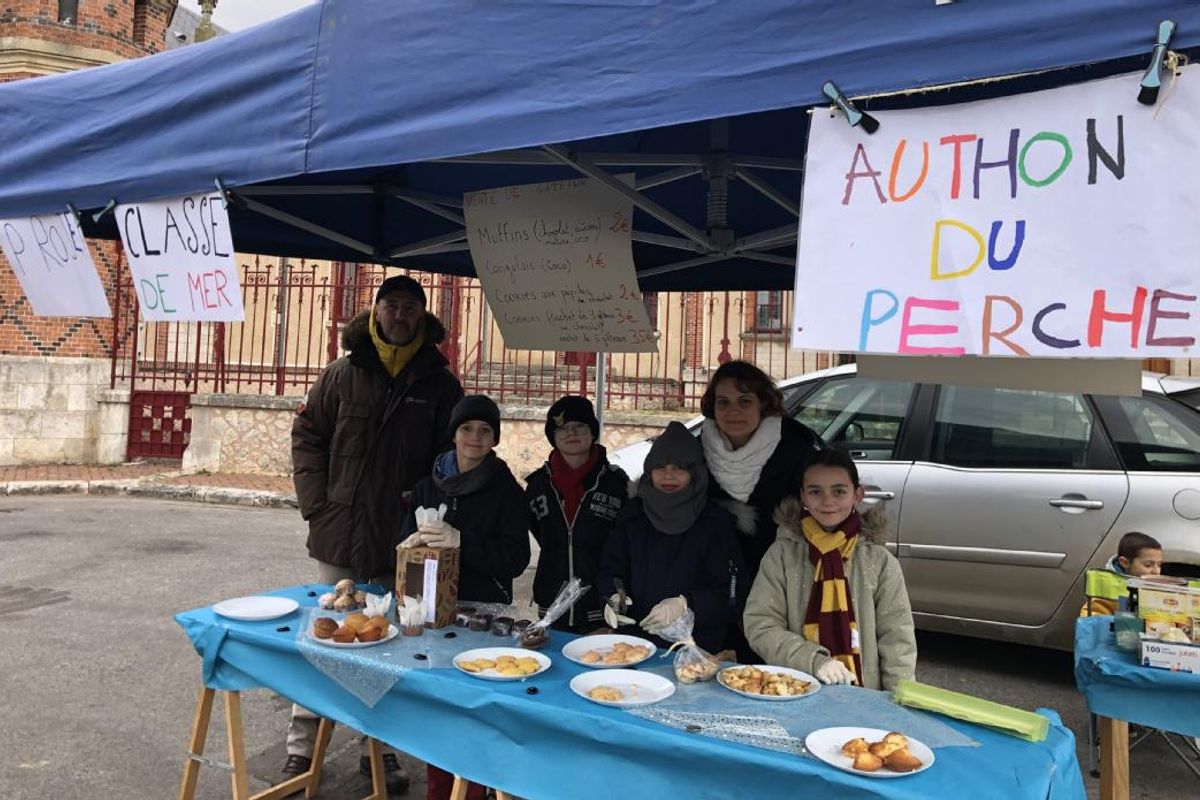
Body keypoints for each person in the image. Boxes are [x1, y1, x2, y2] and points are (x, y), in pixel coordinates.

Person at [288, 273, 463, 791]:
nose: (400, 315)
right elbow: (307, 436)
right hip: (340, 529)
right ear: (375, 311)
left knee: (386, 642)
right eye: (391, 305)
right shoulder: (341, 374)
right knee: (323, 634)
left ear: (422, 316)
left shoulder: (440, 384)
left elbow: (447, 460)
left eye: (410, 307)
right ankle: (301, 747)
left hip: (401, 537)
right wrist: (317, 504)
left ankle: (379, 750)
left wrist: (425, 516)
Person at [398, 395, 531, 800]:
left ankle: (477, 791)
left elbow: (515, 559)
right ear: (454, 434)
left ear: (495, 439)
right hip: (433, 619)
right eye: (467, 428)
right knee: (439, 715)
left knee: (477, 715)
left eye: (485, 430)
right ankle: (440, 793)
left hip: (484, 620)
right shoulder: (427, 485)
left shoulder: (507, 490)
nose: (475, 437)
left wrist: (462, 542)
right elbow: (402, 544)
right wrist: (411, 545)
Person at [744, 448, 916, 692]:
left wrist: (900, 697)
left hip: (863, 693)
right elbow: (761, 623)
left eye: (839, 491)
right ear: (803, 496)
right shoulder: (782, 555)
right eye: (815, 492)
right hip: (796, 688)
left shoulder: (879, 561)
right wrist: (814, 661)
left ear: (857, 495)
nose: (827, 501)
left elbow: (897, 638)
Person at [699, 360, 824, 660]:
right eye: (723, 402)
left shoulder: (798, 448)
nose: (733, 411)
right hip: (714, 583)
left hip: (777, 582)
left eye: (744, 401)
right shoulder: (695, 450)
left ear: (763, 404)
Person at [598, 421, 744, 654]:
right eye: (660, 467)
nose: (668, 475)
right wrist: (614, 595)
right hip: (634, 647)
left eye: (679, 467)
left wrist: (686, 605)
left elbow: (731, 594)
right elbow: (610, 569)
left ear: (695, 472)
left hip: (695, 651)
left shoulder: (715, 523)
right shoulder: (632, 517)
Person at [526, 396, 630, 631]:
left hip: (601, 606)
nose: (571, 433)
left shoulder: (617, 484)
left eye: (580, 426)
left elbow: (625, 543)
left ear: (592, 432)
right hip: (552, 604)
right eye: (562, 428)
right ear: (552, 436)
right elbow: (540, 534)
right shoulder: (537, 485)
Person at [1080, 531, 1164, 616]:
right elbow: (1091, 617)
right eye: (1148, 565)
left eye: (1159, 565)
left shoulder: (1155, 585)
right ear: (1124, 562)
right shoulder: (1107, 586)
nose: (1156, 571)